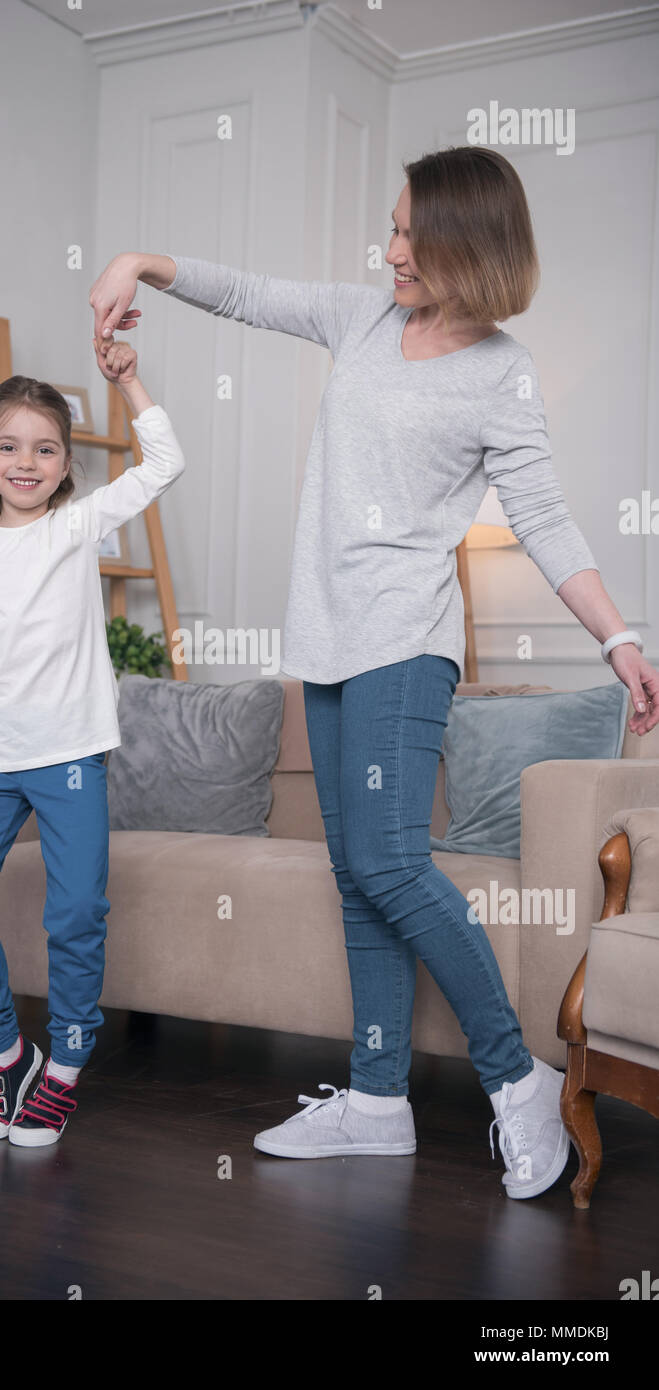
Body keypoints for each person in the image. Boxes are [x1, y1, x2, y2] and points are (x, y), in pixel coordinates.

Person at [89, 144, 658, 1198]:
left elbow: (544, 519)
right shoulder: (364, 320)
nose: (389, 249)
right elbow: (250, 295)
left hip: (407, 641)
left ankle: (517, 1080)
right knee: (358, 874)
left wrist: (619, 637)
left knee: (392, 864)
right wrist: (139, 261)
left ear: (469, 246)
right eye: (391, 227)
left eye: (410, 233)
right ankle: (377, 1101)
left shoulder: (503, 374)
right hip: (325, 640)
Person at [0, 336, 186, 1147]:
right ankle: (2, 1052)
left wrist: (130, 382)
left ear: (64, 465)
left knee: (78, 908)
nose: (27, 461)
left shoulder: (77, 527)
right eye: (9, 446)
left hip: (70, 757)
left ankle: (64, 1067)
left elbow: (163, 464)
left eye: (45, 448)